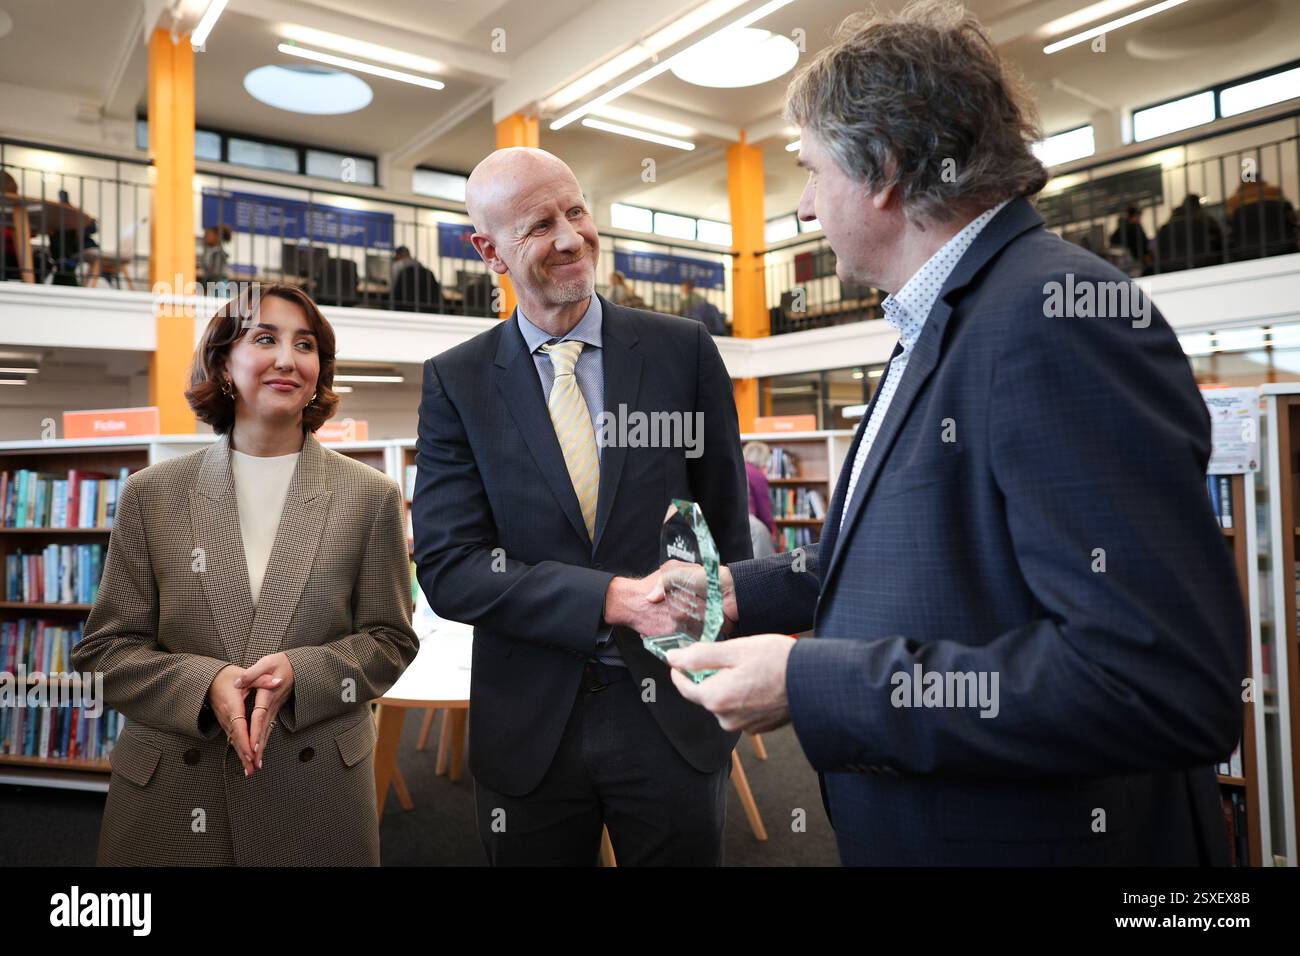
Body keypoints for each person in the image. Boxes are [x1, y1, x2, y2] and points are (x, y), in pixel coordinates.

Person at [643, 2, 1245, 866]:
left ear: (883, 169)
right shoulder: (944, 323)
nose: (805, 210)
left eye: (810, 172)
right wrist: (739, 594)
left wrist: (808, 682)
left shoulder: (1052, 320)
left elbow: (1154, 684)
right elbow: (909, 551)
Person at [412, 146, 751, 866]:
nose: (570, 237)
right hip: (530, 726)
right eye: (539, 224)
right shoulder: (458, 382)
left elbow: (726, 530)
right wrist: (610, 599)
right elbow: (449, 567)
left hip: (674, 712)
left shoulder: (682, 351)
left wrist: (729, 660)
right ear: (489, 250)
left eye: (576, 211)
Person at [71, 283, 420, 866]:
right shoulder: (152, 494)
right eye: (265, 339)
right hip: (177, 786)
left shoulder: (371, 496)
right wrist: (203, 683)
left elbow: (391, 641)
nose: (288, 358)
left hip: (315, 789)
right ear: (224, 365)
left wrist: (301, 672)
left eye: (305, 345)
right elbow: (105, 653)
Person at [1225, 178, 1298, 262]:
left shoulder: (1233, 202)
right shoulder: (1275, 192)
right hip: (1284, 246)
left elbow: (1229, 228)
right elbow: (1293, 219)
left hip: (1245, 252)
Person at [1154, 194, 1225, 273]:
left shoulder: (1167, 225)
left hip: (1168, 267)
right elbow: (1220, 240)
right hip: (1203, 264)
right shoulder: (1205, 219)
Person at [742, 440, 775, 557]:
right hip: (749, 522)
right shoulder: (756, 474)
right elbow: (764, 511)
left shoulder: (738, 468)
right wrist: (772, 532)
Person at [391, 244, 442, 312]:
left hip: (404, 306)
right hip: (426, 307)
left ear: (398, 255)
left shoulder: (396, 266)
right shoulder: (420, 266)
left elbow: (393, 287)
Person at [1108, 204, 1150, 274]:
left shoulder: (1120, 229)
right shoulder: (1136, 228)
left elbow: (1112, 242)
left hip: (1120, 265)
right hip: (1134, 263)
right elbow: (1141, 245)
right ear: (1137, 215)